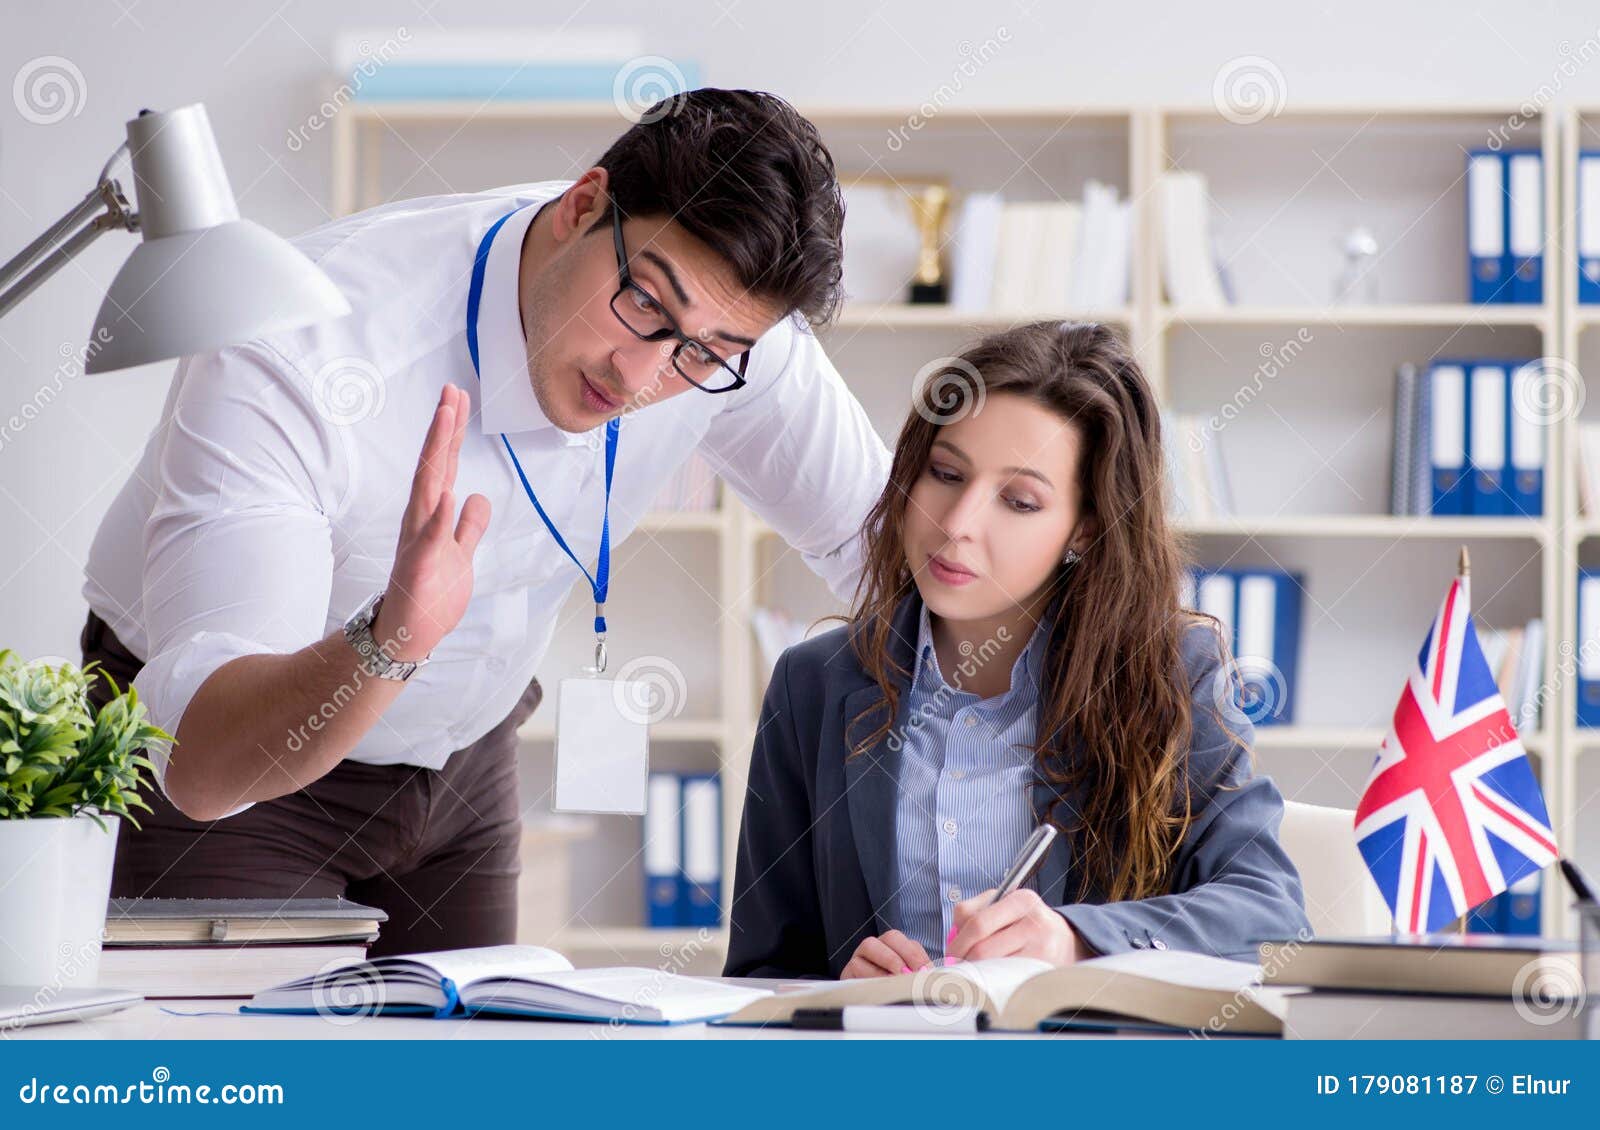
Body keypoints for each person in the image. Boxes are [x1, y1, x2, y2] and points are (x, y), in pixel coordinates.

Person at [79, 89, 888, 957]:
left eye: (707, 352)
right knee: (265, 1088)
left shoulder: (730, 336)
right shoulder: (301, 351)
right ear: (583, 205)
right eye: (646, 304)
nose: (643, 373)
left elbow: (896, 556)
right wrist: (388, 640)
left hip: (466, 764)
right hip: (245, 773)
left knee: (463, 1083)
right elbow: (201, 763)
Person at [724, 320, 1312, 979]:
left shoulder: (1175, 671)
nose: (957, 524)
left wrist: (1074, 941)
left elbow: (1274, 916)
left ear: (1085, 529)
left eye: (1019, 500)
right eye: (945, 473)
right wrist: (838, 1002)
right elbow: (764, 974)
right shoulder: (815, 684)